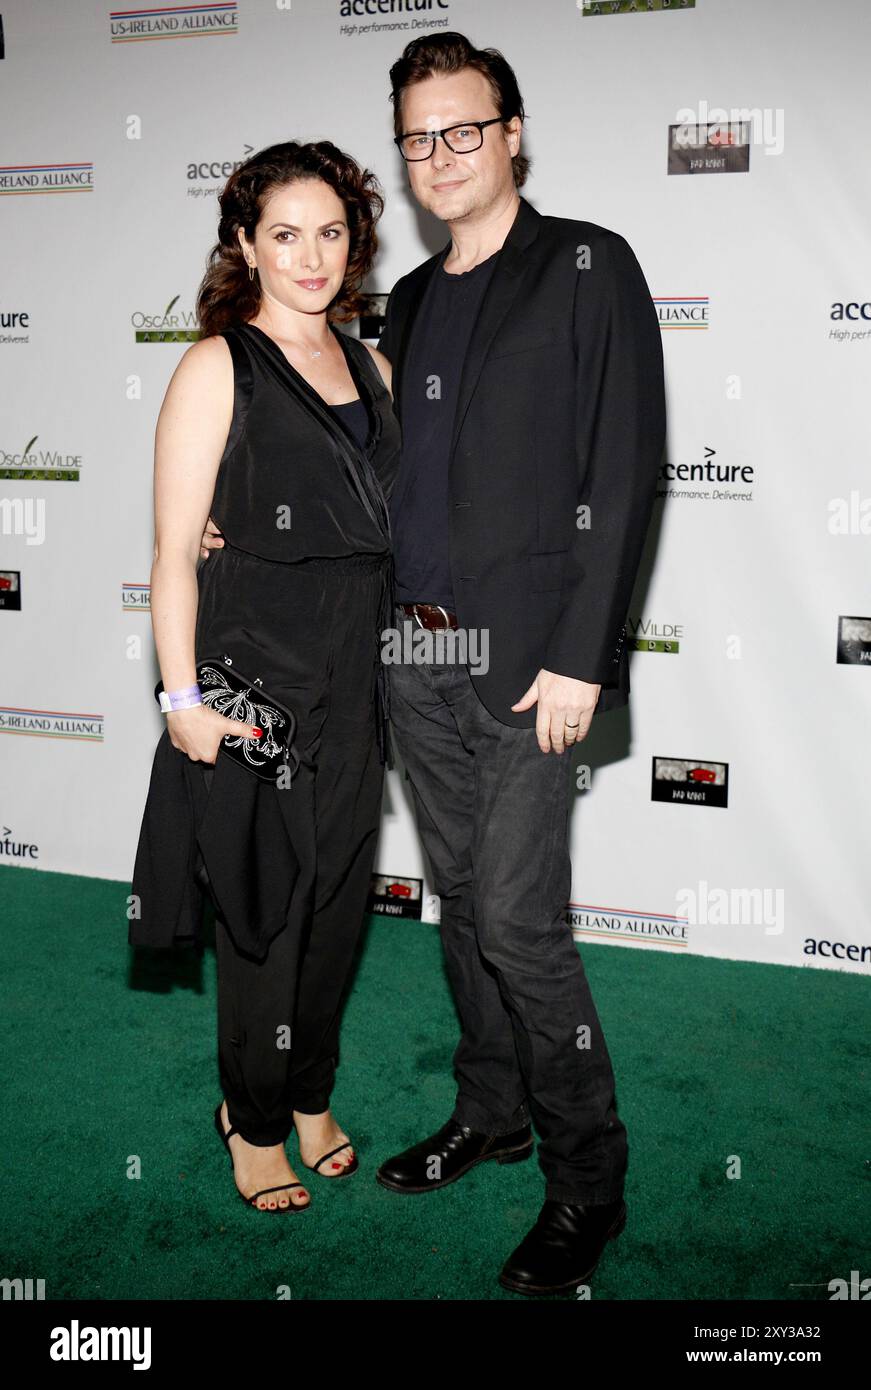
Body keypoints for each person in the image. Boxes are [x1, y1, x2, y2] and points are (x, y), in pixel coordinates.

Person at [374, 32, 665, 1295]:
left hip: (532, 666)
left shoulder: (589, 265)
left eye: (463, 128)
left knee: (522, 926)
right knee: (463, 909)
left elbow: (627, 464)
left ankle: (587, 1180)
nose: (439, 156)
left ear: (512, 133)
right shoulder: (413, 297)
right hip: (415, 654)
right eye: (417, 137)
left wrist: (584, 657)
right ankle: (489, 1112)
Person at [130, 141, 400, 1213]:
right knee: (264, 916)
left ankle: (308, 1092)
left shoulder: (370, 364)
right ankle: (249, 1119)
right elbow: (169, 553)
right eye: (285, 233)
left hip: (357, 682)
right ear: (246, 243)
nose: (311, 255)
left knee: (336, 911)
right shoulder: (216, 365)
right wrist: (182, 699)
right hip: (252, 687)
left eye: (330, 231)